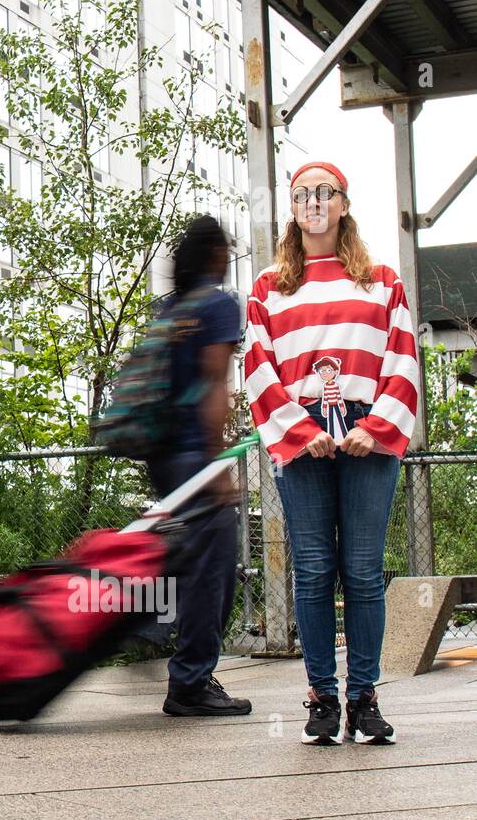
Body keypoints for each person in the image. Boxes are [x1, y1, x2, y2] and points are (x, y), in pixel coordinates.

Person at [244, 161, 419, 746]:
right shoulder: (271, 286)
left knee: (364, 572)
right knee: (314, 570)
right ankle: (320, 695)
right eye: (302, 195)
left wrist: (377, 424)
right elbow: (257, 366)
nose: (313, 203)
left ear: (344, 203)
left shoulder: (381, 280)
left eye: (325, 193)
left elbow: (403, 356)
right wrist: (297, 430)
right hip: (305, 434)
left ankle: (363, 698)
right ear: (291, 209)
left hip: (369, 429)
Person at [146, 216, 252, 718]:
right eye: (226, 248)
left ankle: (145, 620)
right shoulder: (217, 304)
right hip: (194, 452)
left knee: (190, 555)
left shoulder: (168, 308)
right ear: (215, 253)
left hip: (160, 454)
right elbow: (215, 385)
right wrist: (218, 464)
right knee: (215, 564)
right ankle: (190, 681)